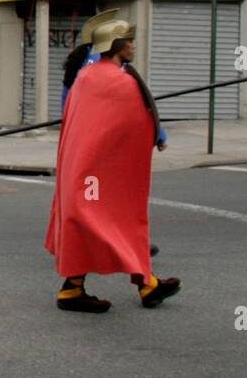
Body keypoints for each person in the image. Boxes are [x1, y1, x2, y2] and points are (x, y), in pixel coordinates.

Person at [45, 20, 180, 313]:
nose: (133, 45)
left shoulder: (88, 76)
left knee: (94, 223)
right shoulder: (118, 81)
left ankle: (136, 283)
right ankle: (140, 283)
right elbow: (136, 122)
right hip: (99, 171)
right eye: (129, 40)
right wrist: (157, 136)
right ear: (115, 45)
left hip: (84, 168)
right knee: (113, 221)